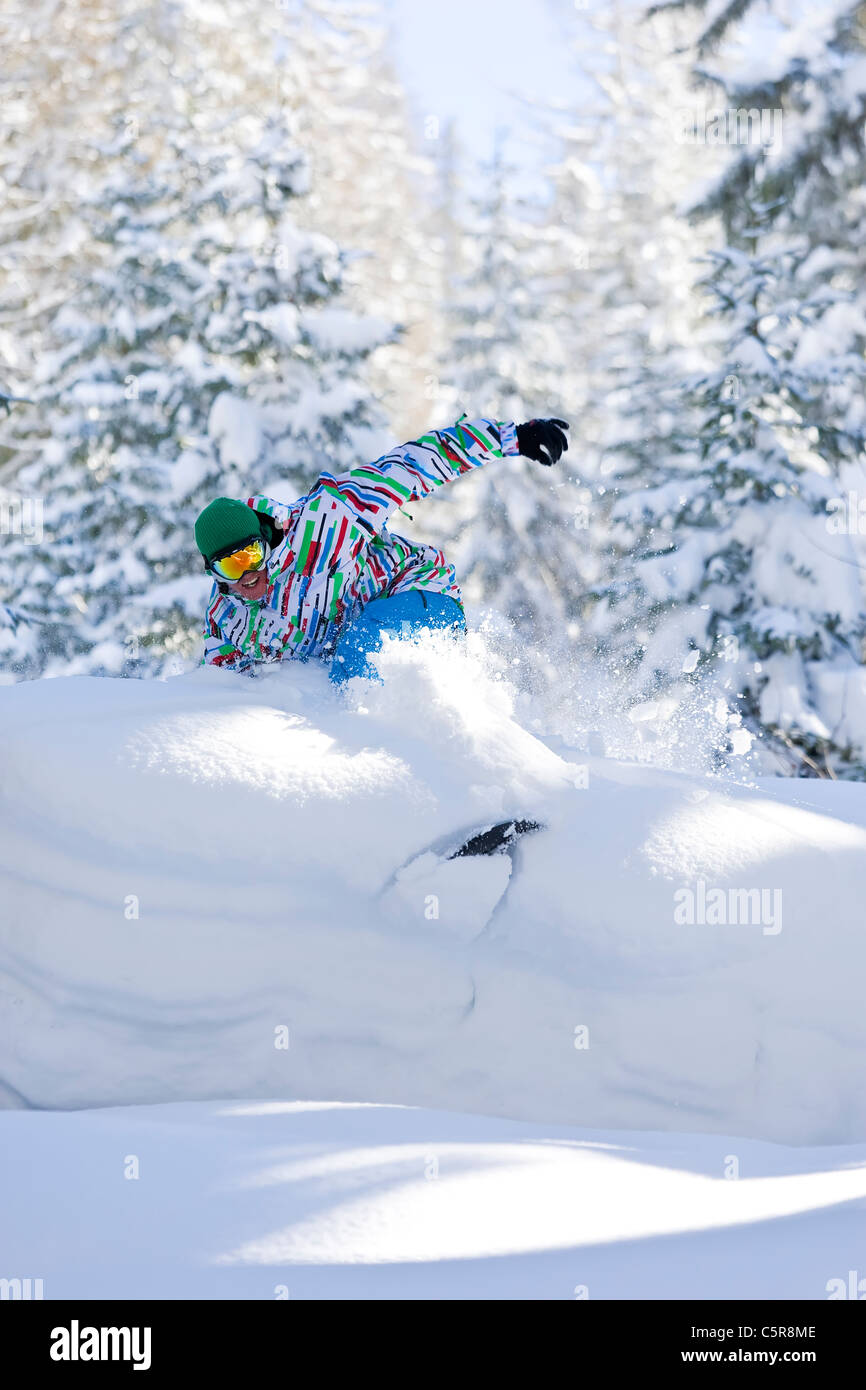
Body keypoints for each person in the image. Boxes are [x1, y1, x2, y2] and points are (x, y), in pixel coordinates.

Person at [194, 415, 569, 683]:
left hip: (419, 591)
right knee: (319, 685)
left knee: (357, 655)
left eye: (250, 557)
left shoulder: (326, 521)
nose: (246, 576)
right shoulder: (226, 620)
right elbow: (223, 692)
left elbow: (415, 462)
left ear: (264, 540)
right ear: (213, 572)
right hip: (349, 652)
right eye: (229, 568)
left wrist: (514, 438)